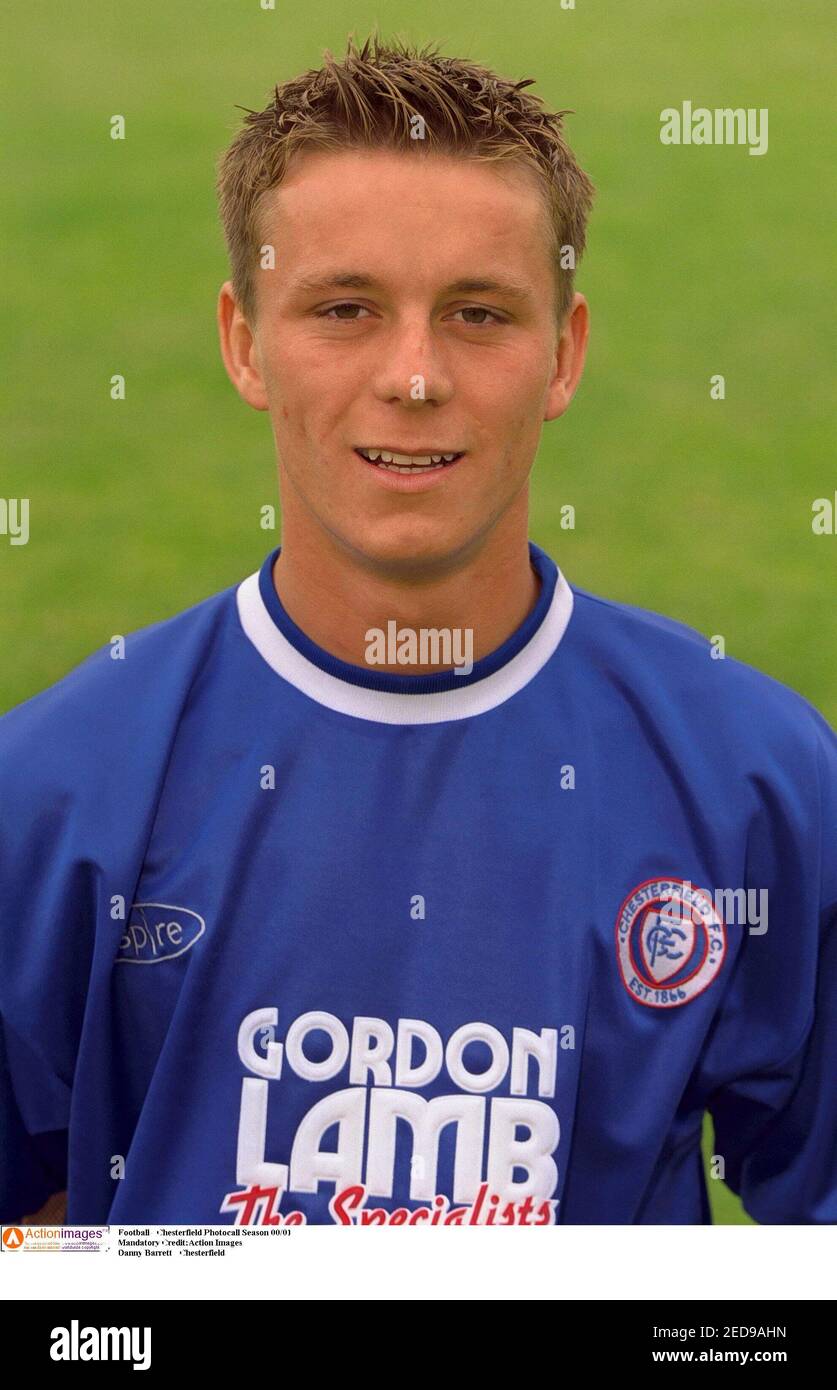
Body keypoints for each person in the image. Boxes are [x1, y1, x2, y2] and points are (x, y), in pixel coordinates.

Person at [1, 35, 835, 1227]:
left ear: (564, 352)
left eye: (479, 314)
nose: (414, 375)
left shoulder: (756, 781)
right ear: (245, 342)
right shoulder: (53, 792)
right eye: (344, 308)